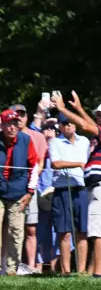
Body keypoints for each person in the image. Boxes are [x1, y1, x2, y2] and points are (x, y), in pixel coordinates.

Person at [54, 92, 101, 277]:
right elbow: (91, 125)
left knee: (98, 233)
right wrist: (78, 108)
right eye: (98, 115)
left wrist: (62, 109)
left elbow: (86, 126)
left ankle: (98, 274)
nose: (100, 119)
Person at [49, 112, 90, 274]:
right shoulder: (55, 142)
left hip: (81, 189)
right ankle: (66, 272)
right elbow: (56, 163)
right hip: (62, 190)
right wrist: (78, 164)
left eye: (71, 122)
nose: (69, 126)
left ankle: (81, 272)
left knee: (82, 232)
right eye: (65, 123)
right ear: (59, 126)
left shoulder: (84, 141)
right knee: (64, 233)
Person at [0, 109, 38, 275]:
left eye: (15, 123)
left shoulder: (26, 140)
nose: (12, 127)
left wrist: (30, 192)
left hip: (19, 194)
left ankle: (11, 270)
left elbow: (34, 167)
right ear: (2, 125)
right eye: (9, 124)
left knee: (16, 232)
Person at [11, 104, 47, 268]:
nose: (19, 118)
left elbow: (39, 163)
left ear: (27, 117)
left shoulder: (37, 136)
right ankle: (9, 264)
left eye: (22, 115)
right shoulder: (5, 136)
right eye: (15, 115)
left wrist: (29, 183)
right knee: (8, 227)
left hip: (29, 187)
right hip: (9, 188)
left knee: (31, 229)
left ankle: (31, 266)